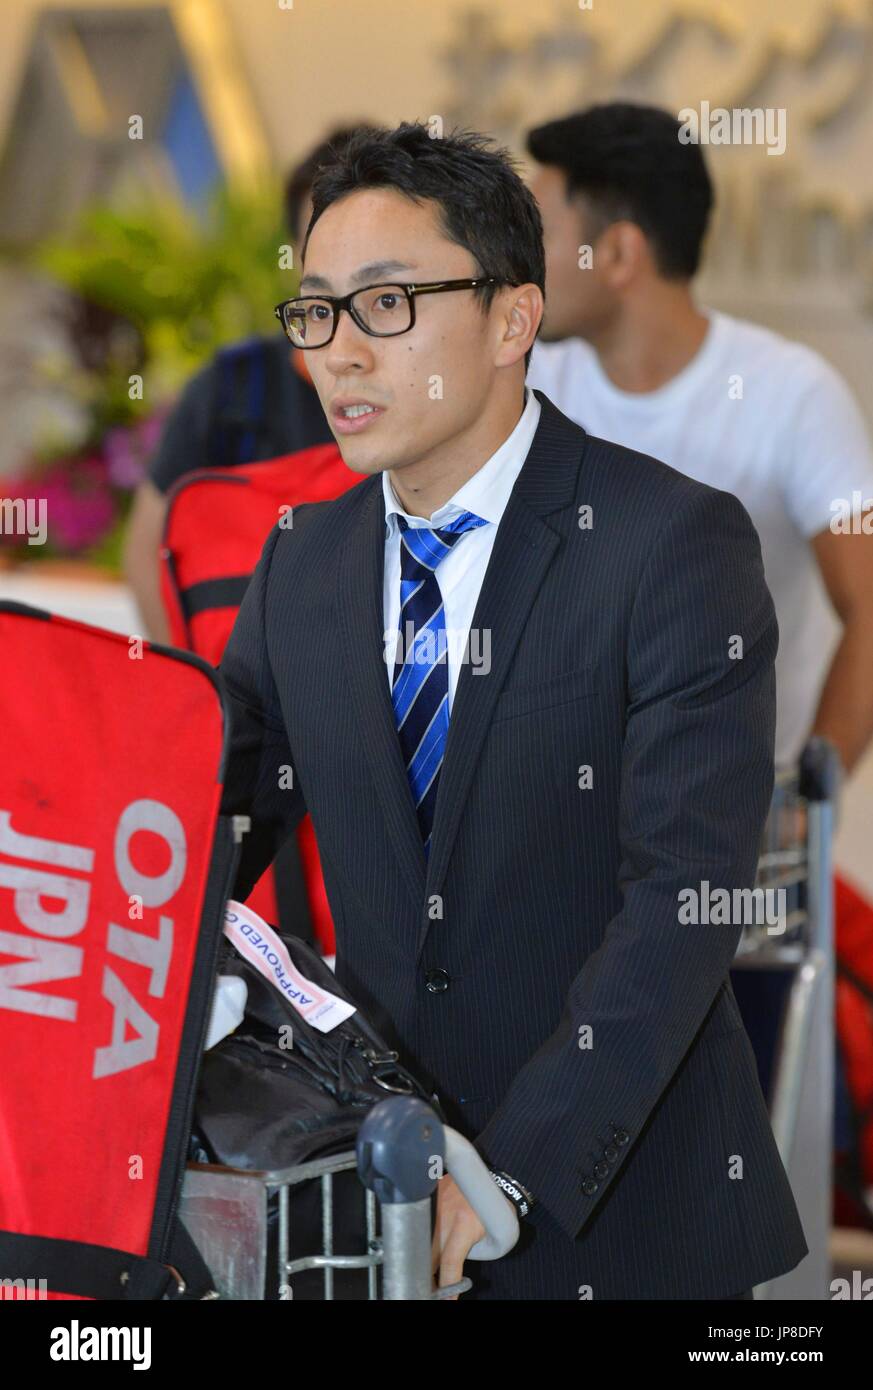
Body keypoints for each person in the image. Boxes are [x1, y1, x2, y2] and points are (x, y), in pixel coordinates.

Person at [217, 120, 807, 1300]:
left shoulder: (668, 543)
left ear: (511, 319)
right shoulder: (302, 564)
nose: (338, 352)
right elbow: (207, 828)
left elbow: (681, 904)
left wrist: (510, 1180)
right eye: (315, 311)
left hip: (626, 1224)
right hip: (377, 1205)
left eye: (386, 306)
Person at [525, 102, 873, 776]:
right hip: (560, 819)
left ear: (620, 252)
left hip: (739, 828)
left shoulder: (792, 393)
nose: (518, 263)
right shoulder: (524, 382)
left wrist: (807, 800)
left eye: (538, 235)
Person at [122, 124, 370, 645]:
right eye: (321, 242)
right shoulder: (232, 388)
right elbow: (147, 546)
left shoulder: (432, 386)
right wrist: (198, 690)